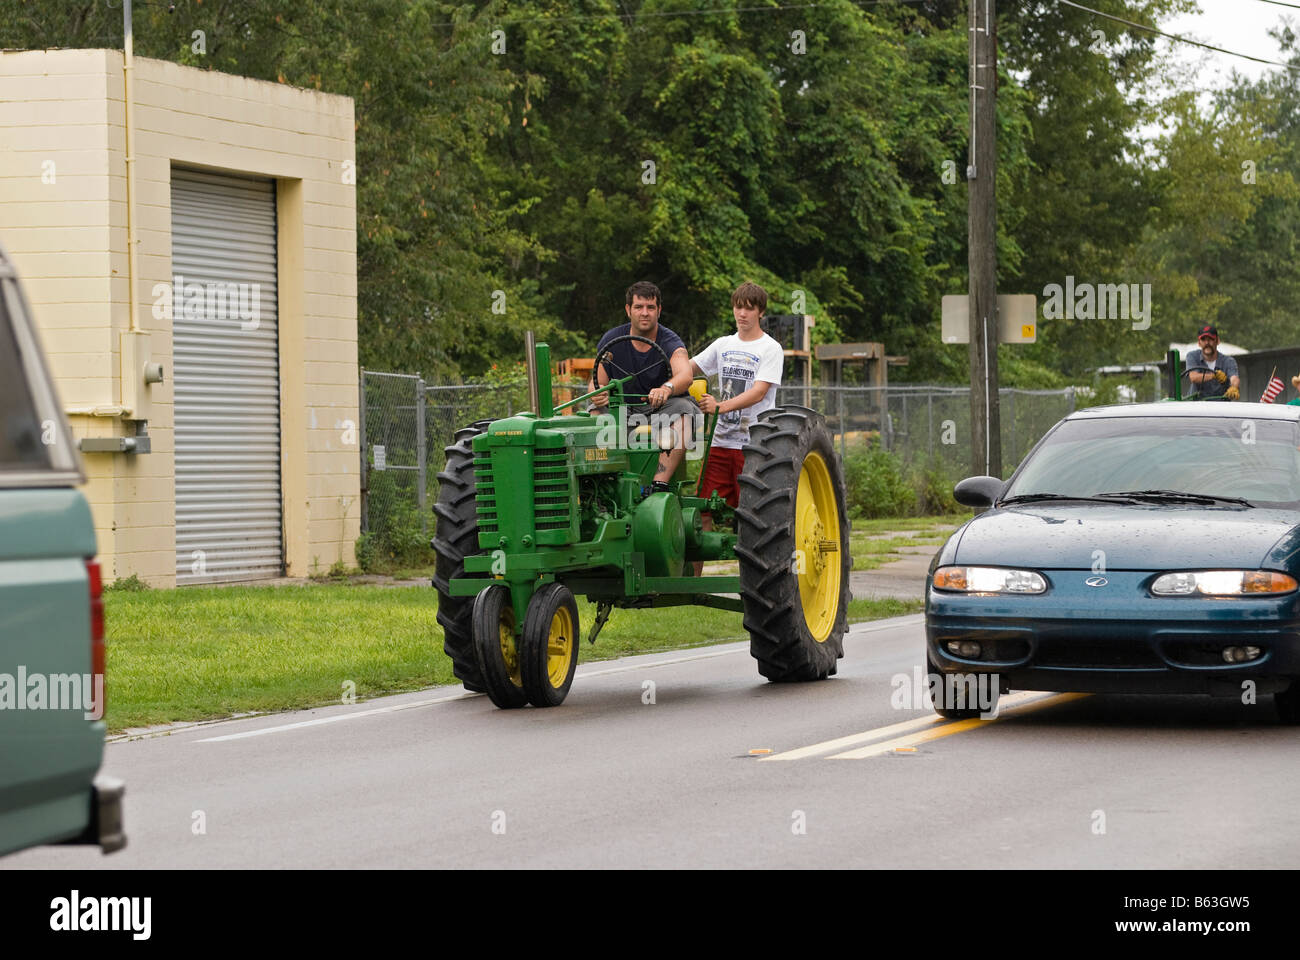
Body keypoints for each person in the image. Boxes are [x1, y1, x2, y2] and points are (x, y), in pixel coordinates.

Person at [676, 282, 784, 572]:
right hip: (721, 442)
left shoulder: (771, 348)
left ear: (760, 311)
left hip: (754, 444)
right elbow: (690, 368)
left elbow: (759, 392)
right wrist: (669, 374)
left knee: (751, 516)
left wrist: (721, 406)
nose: (742, 313)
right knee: (702, 510)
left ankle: (751, 581)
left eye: (749, 308)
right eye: (738, 306)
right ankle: (694, 584)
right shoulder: (723, 344)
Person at [592, 281, 700, 489]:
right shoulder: (612, 340)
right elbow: (596, 383)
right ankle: (601, 482)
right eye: (638, 307)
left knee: (686, 411)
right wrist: (597, 395)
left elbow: (685, 376)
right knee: (592, 412)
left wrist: (666, 389)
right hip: (622, 410)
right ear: (628, 310)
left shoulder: (670, 342)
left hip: (660, 409)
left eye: (650, 307)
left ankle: (658, 484)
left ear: (659, 311)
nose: (644, 313)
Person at [1185, 324, 1240, 400]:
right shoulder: (1192, 356)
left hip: (1220, 408)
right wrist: (1214, 375)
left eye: (1210, 339)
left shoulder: (1228, 361)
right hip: (1196, 407)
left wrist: (1234, 387)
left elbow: (1234, 378)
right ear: (1199, 343)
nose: (1207, 343)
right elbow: (1193, 377)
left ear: (1218, 341)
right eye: (1203, 339)